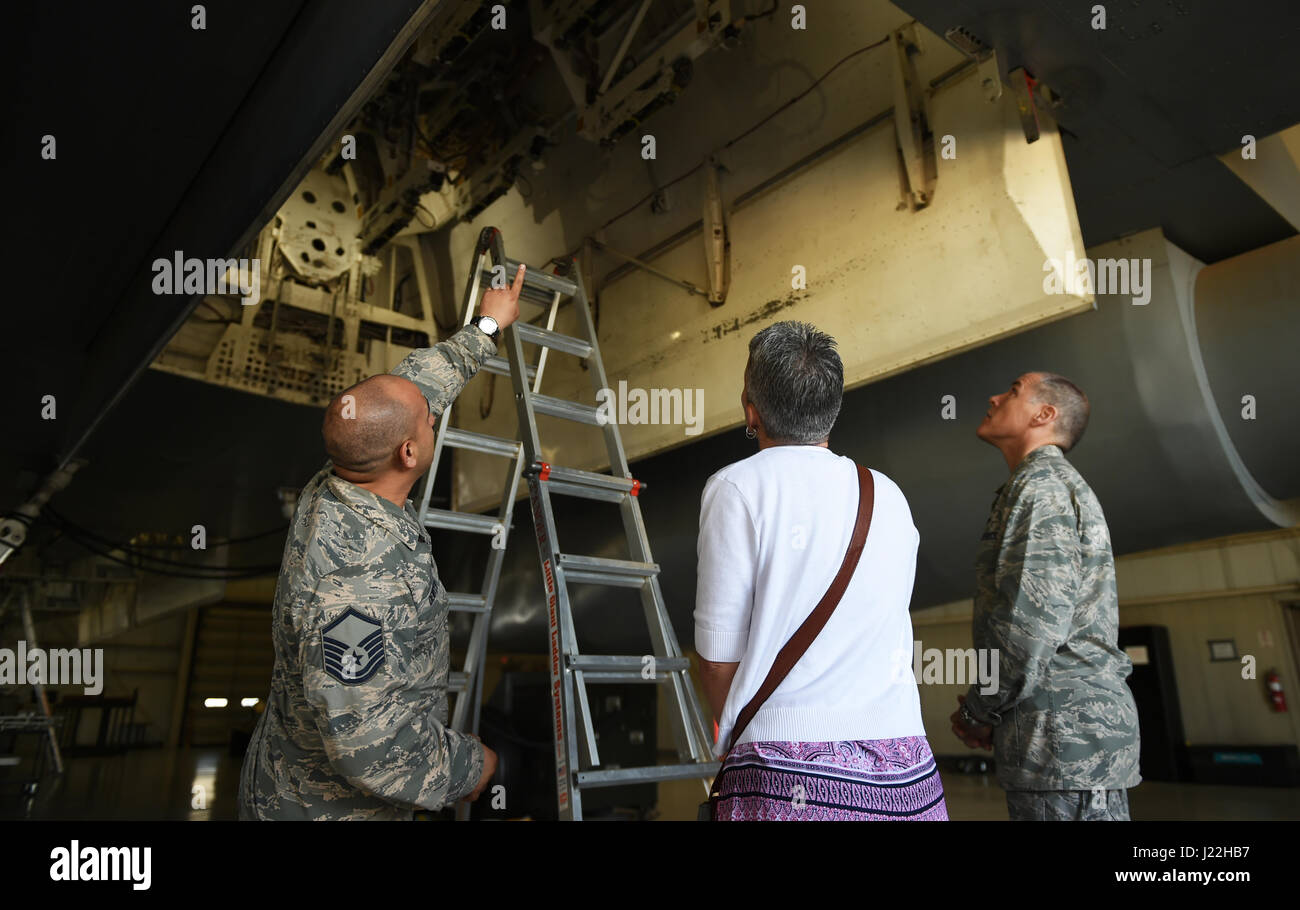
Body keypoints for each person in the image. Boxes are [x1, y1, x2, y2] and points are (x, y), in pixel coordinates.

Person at [237, 263, 526, 820]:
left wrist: (487, 327)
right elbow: (370, 751)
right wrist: (476, 766)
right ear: (409, 454)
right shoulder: (358, 589)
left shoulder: (338, 477)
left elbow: (406, 392)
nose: (433, 417)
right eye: (428, 421)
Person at [694, 321, 947, 821]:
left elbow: (718, 660)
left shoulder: (736, 488)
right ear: (832, 408)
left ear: (751, 408)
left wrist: (740, 728)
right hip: (906, 773)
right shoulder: (887, 493)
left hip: (786, 774)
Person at [951, 372, 1141, 821]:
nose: (994, 396)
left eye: (1013, 390)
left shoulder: (1041, 487)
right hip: (1064, 741)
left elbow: (1029, 628)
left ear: (1044, 414)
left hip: (1063, 741)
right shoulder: (1036, 485)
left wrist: (981, 710)